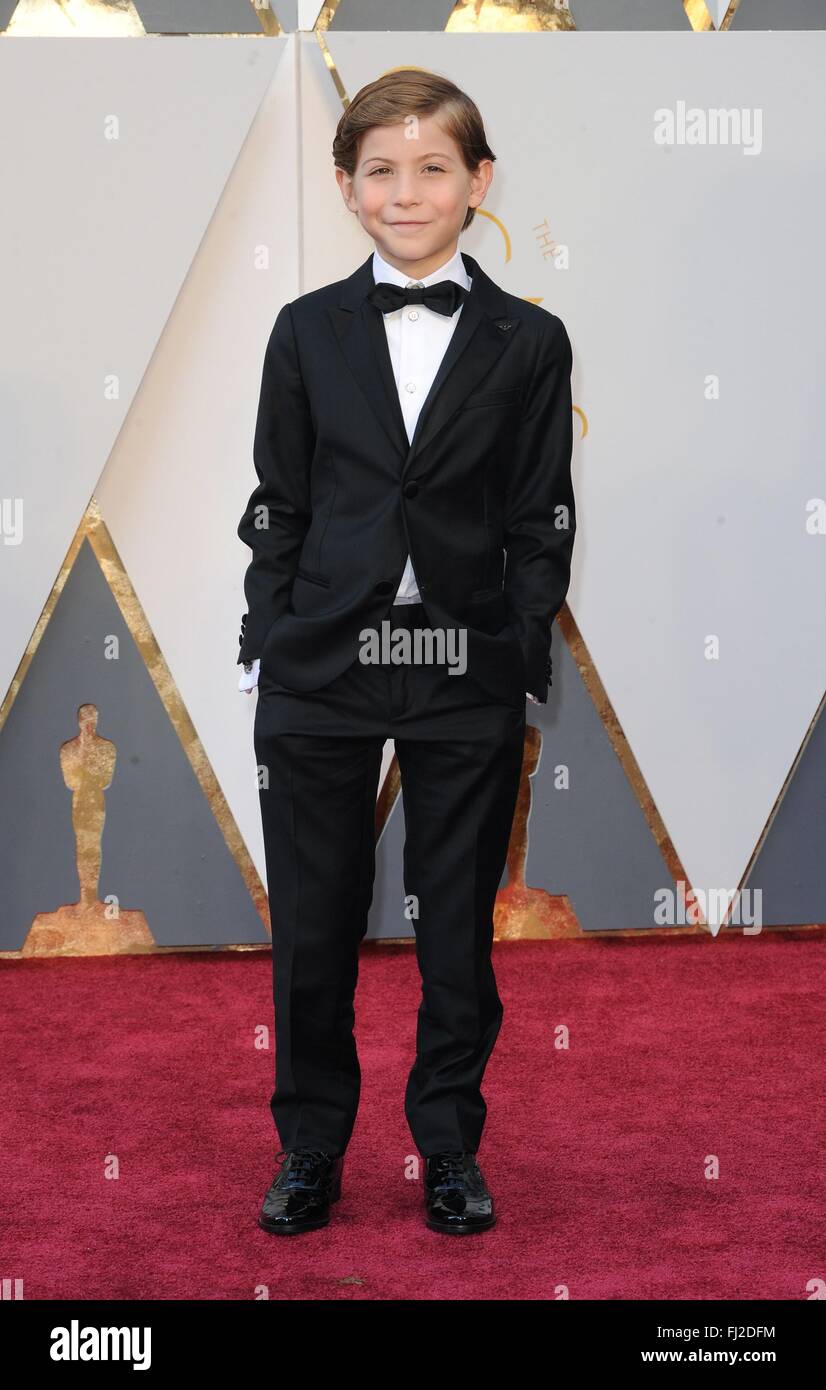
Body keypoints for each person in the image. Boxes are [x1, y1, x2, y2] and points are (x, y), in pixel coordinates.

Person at [236, 68, 575, 1236]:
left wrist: (517, 648)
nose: (407, 189)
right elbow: (277, 499)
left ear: (479, 184)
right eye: (380, 168)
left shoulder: (531, 341)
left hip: (460, 660)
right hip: (322, 661)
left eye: (434, 167)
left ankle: (447, 1149)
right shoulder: (304, 330)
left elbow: (540, 514)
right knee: (314, 923)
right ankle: (311, 1147)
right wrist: (264, 644)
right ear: (345, 187)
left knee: (454, 931)